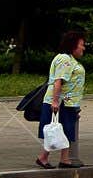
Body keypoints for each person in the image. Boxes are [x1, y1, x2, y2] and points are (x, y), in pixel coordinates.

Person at [37, 29, 88, 169]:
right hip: (62, 102)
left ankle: (63, 159)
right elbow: (58, 81)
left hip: (68, 102)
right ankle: (44, 157)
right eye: (81, 44)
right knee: (59, 130)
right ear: (73, 45)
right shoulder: (64, 59)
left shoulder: (70, 60)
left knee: (65, 130)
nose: (84, 47)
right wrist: (55, 101)